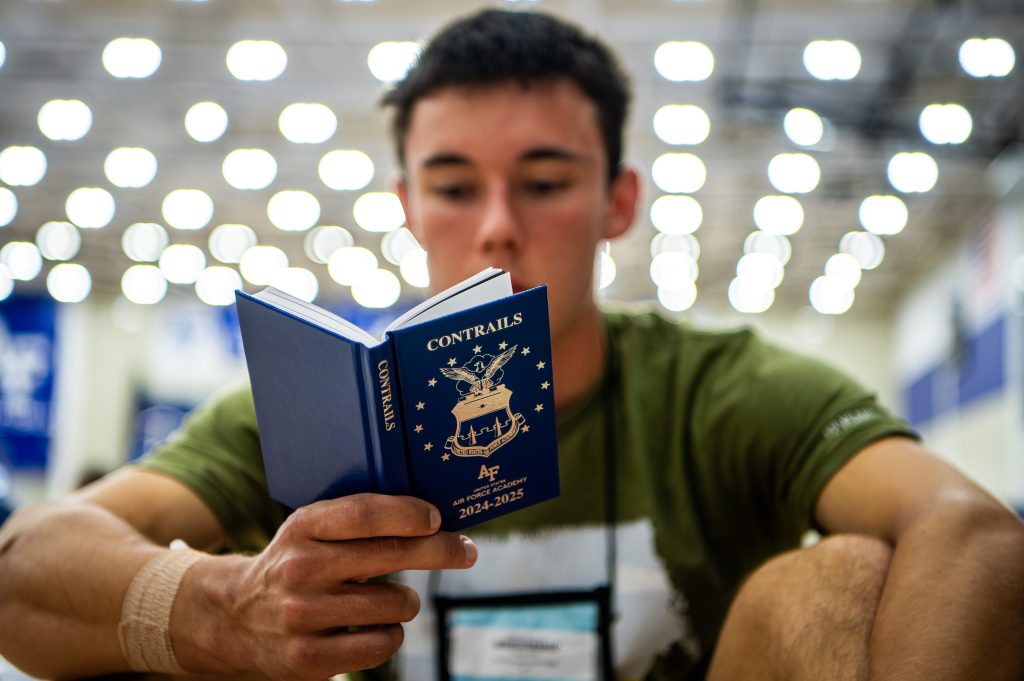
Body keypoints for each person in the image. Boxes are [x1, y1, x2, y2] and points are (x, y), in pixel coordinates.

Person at [1, 8, 1023, 681]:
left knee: (841, 579)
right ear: (406, 206)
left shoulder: (717, 393)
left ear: (616, 202)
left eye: (543, 182)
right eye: (452, 187)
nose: (496, 225)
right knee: (147, 624)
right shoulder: (311, 414)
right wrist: (216, 608)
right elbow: (24, 568)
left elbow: (971, 531)